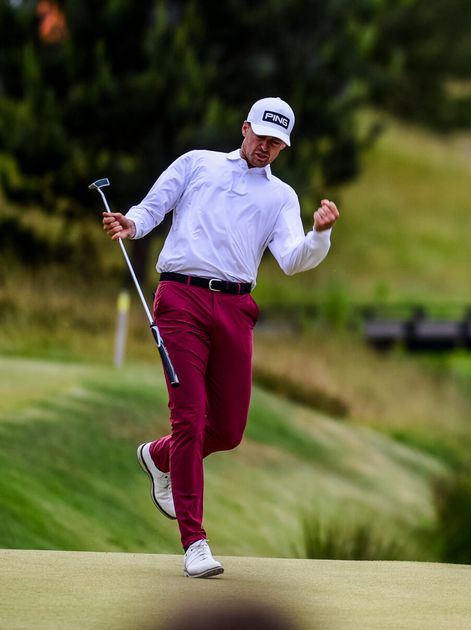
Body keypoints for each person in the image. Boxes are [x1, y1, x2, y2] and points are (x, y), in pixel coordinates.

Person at [102, 97, 340, 578]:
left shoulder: (282, 197)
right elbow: (151, 209)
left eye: (277, 143)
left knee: (228, 429)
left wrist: (318, 236)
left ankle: (158, 456)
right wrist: (131, 222)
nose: (267, 148)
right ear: (245, 127)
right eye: (262, 137)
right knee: (189, 419)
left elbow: (293, 259)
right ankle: (195, 543)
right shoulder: (198, 164)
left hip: (235, 308)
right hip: (180, 300)